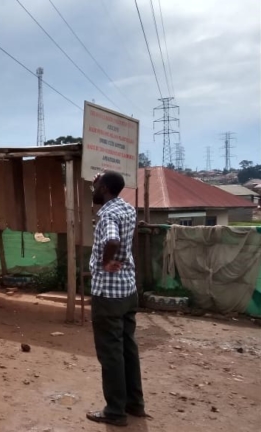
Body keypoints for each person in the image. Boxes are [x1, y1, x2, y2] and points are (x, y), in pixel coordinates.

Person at [86, 171, 148, 427]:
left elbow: (112, 238)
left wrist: (105, 261)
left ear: (105, 188)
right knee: (128, 348)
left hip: (108, 295)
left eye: (96, 184)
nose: (93, 187)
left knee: (111, 353)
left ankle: (115, 411)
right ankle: (135, 404)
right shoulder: (128, 209)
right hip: (127, 290)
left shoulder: (109, 214)